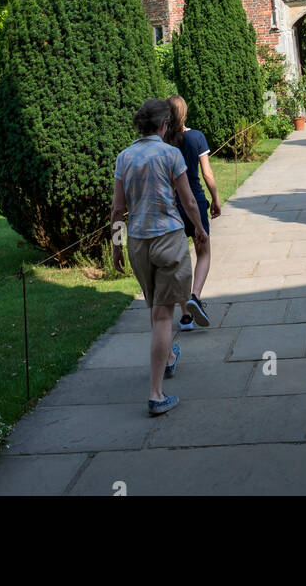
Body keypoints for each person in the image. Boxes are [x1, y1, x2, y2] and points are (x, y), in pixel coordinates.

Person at [111, 98, 208, 418]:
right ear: (164, 125)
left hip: (138, 243)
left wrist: (115, 247)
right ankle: (155, 394)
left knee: (156, 311)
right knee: (165, 316)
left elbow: (117, 209)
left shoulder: (124, 157)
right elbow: (189, 200)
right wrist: (199, 229)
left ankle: (167, 357)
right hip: (167, 238)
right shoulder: (171, 154)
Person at [164, 94, 221, 332]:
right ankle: (195, 296)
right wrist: (215, 199)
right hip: (195, 201)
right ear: (185, 113)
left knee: (178, 261)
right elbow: (207, 174)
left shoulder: (162, 142)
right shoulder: (196, 137)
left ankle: (186, 315)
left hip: (171, 205)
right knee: (203, 252)